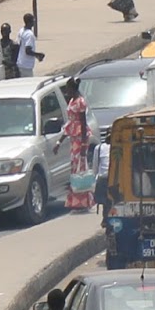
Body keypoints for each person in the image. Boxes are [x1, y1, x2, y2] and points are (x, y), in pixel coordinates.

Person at [62, 80, 94, 212]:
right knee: (75, 169)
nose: (66, 92)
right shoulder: (71, 101)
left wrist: (84, 144)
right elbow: (70, 123)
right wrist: (60, 140)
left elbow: (83, 122)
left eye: (68, 89)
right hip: (73, 139)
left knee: (81, 169)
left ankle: (84, 201)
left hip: (80, 138)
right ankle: (75, 202)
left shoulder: (80, 102)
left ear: (73, 88)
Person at [93, 128, 112, 220]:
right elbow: (95, 166)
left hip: (107, 178)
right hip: (105, 178)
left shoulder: (99, 148)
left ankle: (106, 218)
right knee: (106, 201)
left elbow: (95, 167)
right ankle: (106, 218)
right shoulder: (99, 148)